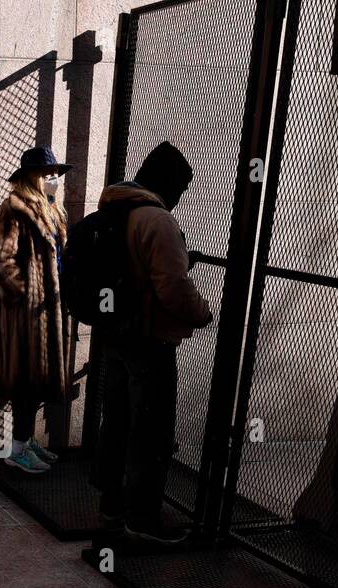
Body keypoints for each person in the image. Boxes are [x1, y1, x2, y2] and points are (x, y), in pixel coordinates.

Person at [91, 141, 212, 544]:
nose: (178, 199)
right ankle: (143, 519)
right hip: (150, 340)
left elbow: (136, 267)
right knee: (151, 430)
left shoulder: (115, 208)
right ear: (167, 184)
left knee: (119, 421)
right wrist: (201, 312)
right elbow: (172, 286)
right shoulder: (157, 220)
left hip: (116, 335)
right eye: (178, 189)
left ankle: (112, 505)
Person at [0, 146, 74, 473]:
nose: (54, 180)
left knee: (38, 382)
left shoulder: (52, 210)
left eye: (56, 175)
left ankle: (27, 440)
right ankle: (17, 449)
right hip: (28, 316)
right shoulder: (14, 210)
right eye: (48, 175)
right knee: (26, 382)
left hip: (49, 312)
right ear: (31, 178)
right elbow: (0, 261)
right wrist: (27, 298)